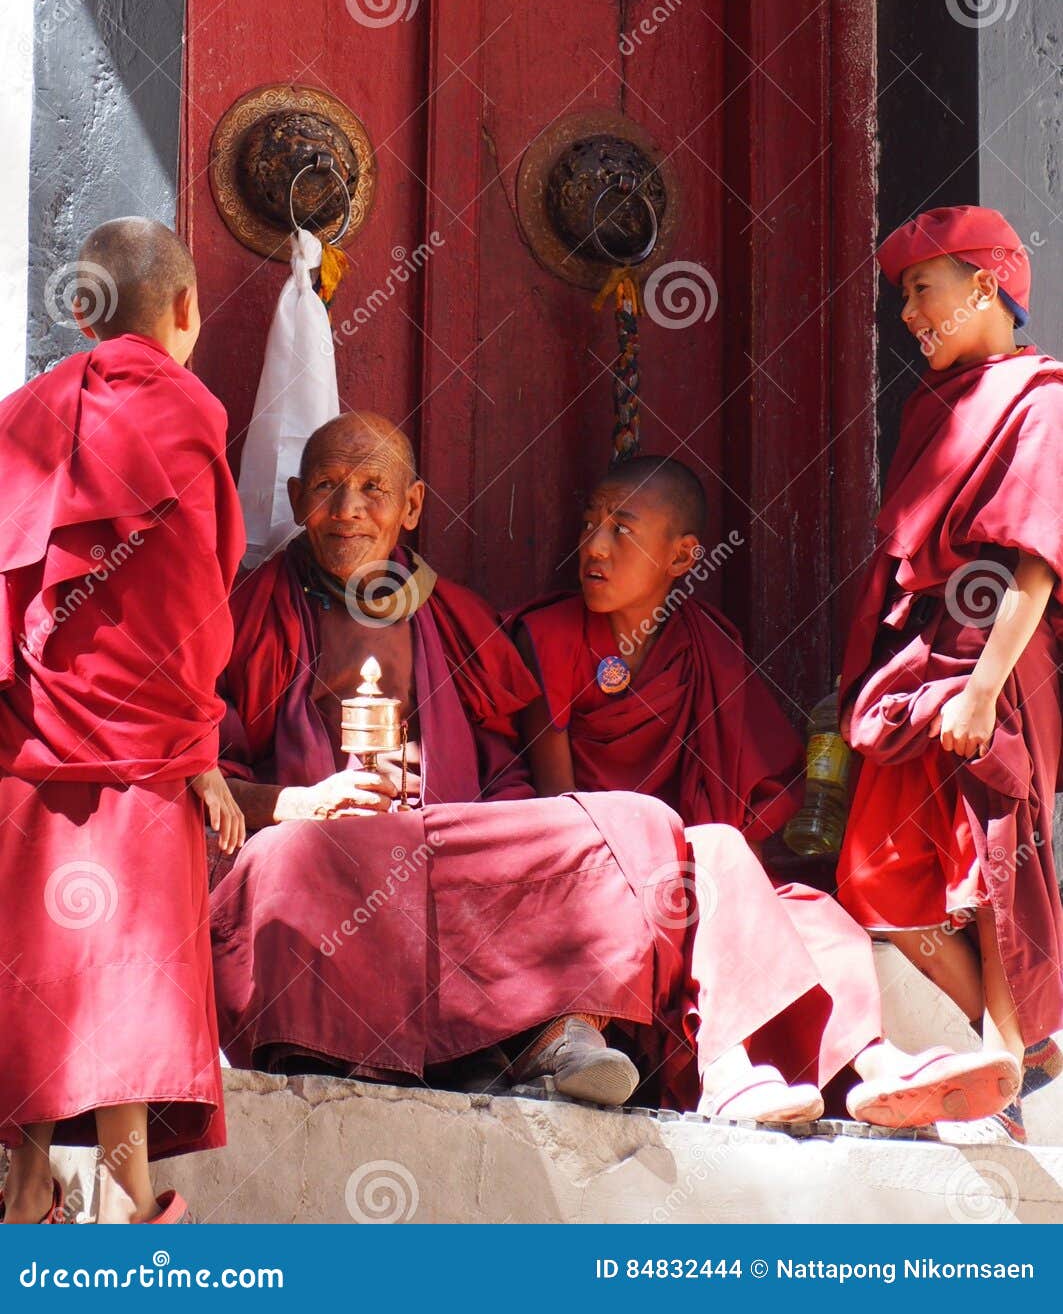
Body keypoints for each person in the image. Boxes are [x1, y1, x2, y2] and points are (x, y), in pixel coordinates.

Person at [513, 454, 1020, 1128]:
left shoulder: (706, 648)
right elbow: (558, 809)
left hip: (695, 868)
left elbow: (751, 793)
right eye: (589, 525)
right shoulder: (545, 636)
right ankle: (725, 1071)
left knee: (808, 906)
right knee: (719, 853)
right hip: (597, 864)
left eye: (622, 529)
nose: (594, 547)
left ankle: (874, 1066)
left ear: (681, 556)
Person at [209, 411, 693, 1109]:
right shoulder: (246, 617)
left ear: (411, 506)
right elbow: (201, 778)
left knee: (634, 820)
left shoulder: (458, 618)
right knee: (291, 861)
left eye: (373, 487)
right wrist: (295, 803)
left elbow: (508, 780)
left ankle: (560, 1032)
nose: (347, 510)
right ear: (294, 500)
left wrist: (482, 848)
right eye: (326, 486)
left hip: (446, 842)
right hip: (326, 849)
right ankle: (452, 1055)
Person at [0, 218, 246, 1224]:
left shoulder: (23, 418)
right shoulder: (181, 408)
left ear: (81, 311)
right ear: (183, 310)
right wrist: (199, 748)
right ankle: (127, 1185)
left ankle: (23, 1192)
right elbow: (186, 606)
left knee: (42, 970)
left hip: (28, 744)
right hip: (144, 757)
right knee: (128, 970)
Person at [837, 204, 1063, 1142]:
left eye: (920, 290)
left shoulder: (1042, 397)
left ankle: (1004, 1064)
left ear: (982, 283)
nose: (907, 316)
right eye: (898, 300)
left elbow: (1038, 560)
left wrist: (980, 689)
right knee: (874, 874)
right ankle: (1016, 1057)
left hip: (998, 664)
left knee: (990, 865)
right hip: (927, 658)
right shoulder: (938, 405)